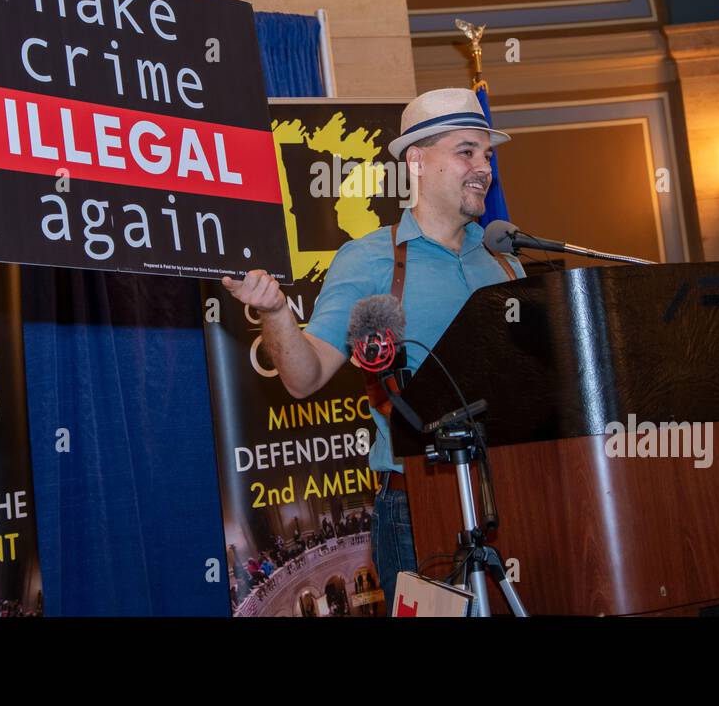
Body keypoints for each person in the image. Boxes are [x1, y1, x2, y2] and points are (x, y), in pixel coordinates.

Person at [222, 87, 523, 612]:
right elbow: (304, 376)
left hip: (514, 490)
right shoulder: (367, 259)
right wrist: (274, 314)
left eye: (487, 154)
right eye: (466, 151)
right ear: (418, 161)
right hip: (416, 501)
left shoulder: (505, 262)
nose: (484, 168)